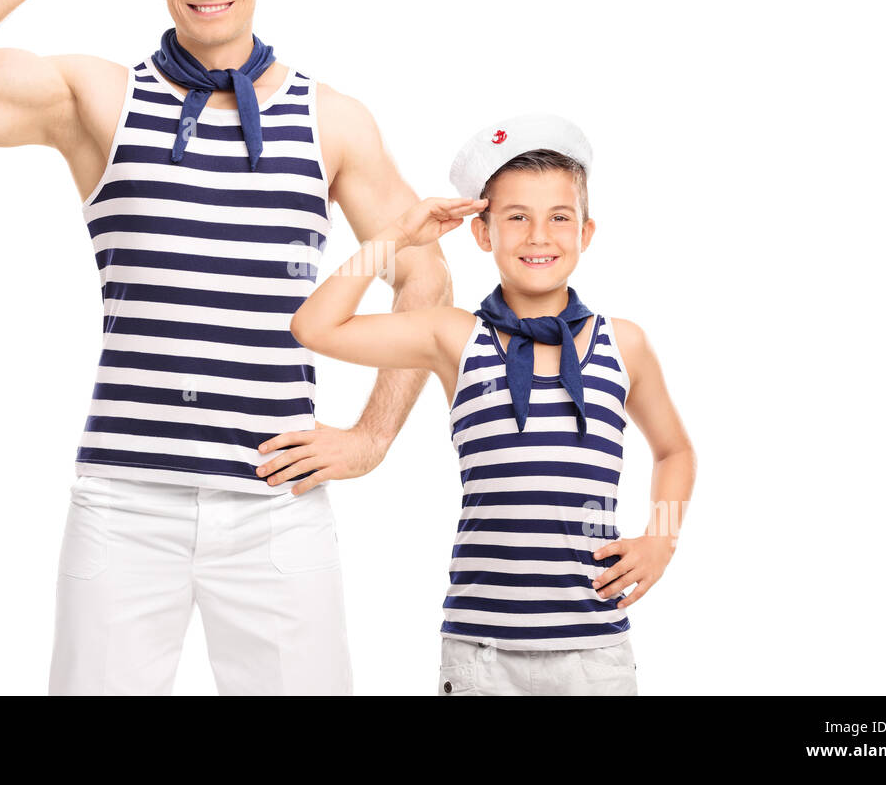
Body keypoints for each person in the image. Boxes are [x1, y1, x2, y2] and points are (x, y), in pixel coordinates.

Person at [0, 0, 452, 695]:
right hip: (123, 504)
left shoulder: (333, 121)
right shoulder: (100, 98)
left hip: (275, 505)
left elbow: (424, 276)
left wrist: (371, 438)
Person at [290, 113, 697, 695]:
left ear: (586, 232)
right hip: (481, 653)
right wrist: (397, 236)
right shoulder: (455, 338)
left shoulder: (622, 343)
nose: (539, 236)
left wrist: (661, 538)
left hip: (593, 651)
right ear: (484, 234)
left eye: (560, 217)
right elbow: (315, 326)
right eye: (516, 218)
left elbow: (675, 450)